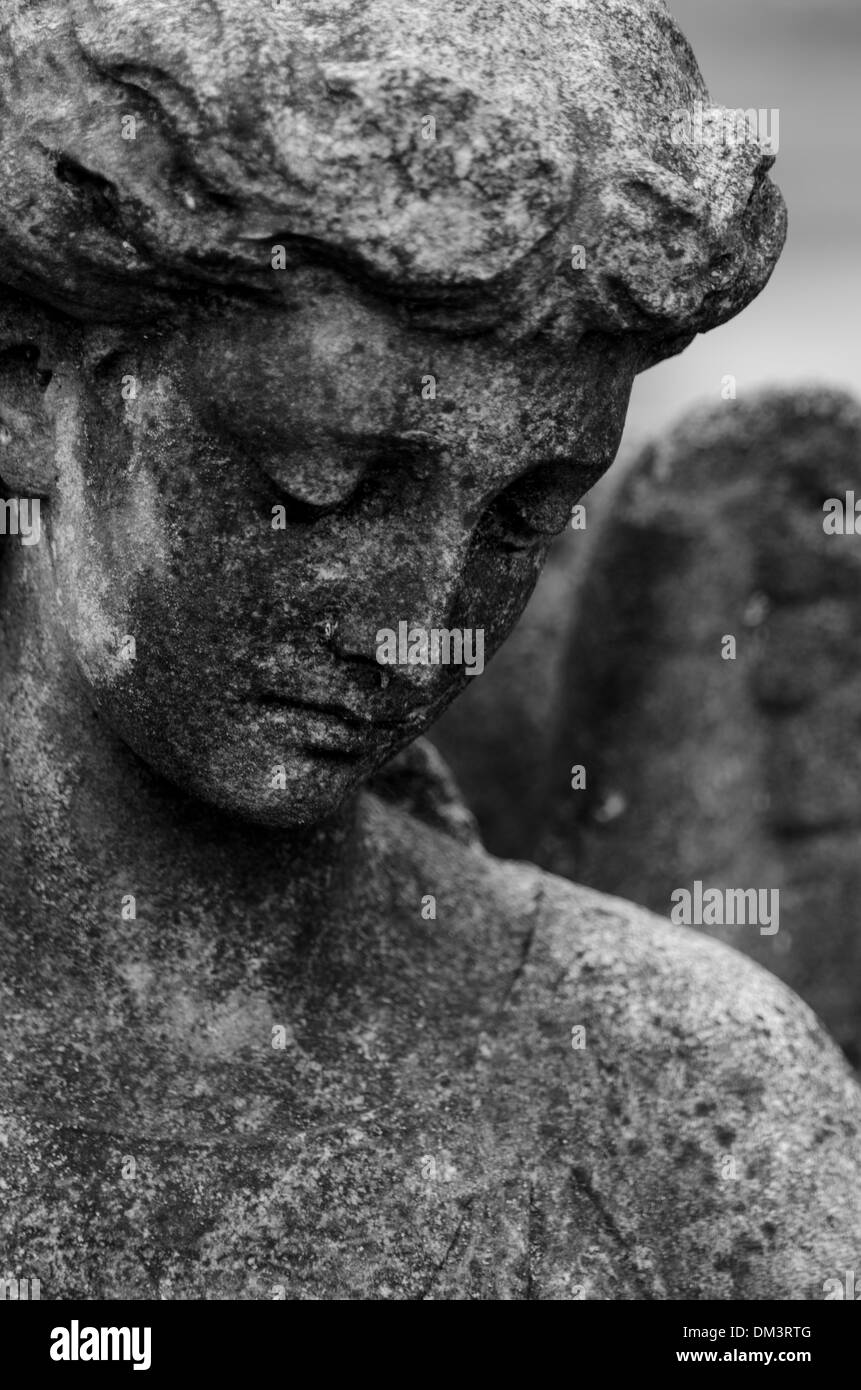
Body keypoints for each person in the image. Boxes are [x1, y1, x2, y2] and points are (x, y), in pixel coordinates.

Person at [1, 0, 855, 1299]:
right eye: (324, 487)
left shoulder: (686, 1092)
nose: (426, 621)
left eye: (525, 515)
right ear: (25, 385)